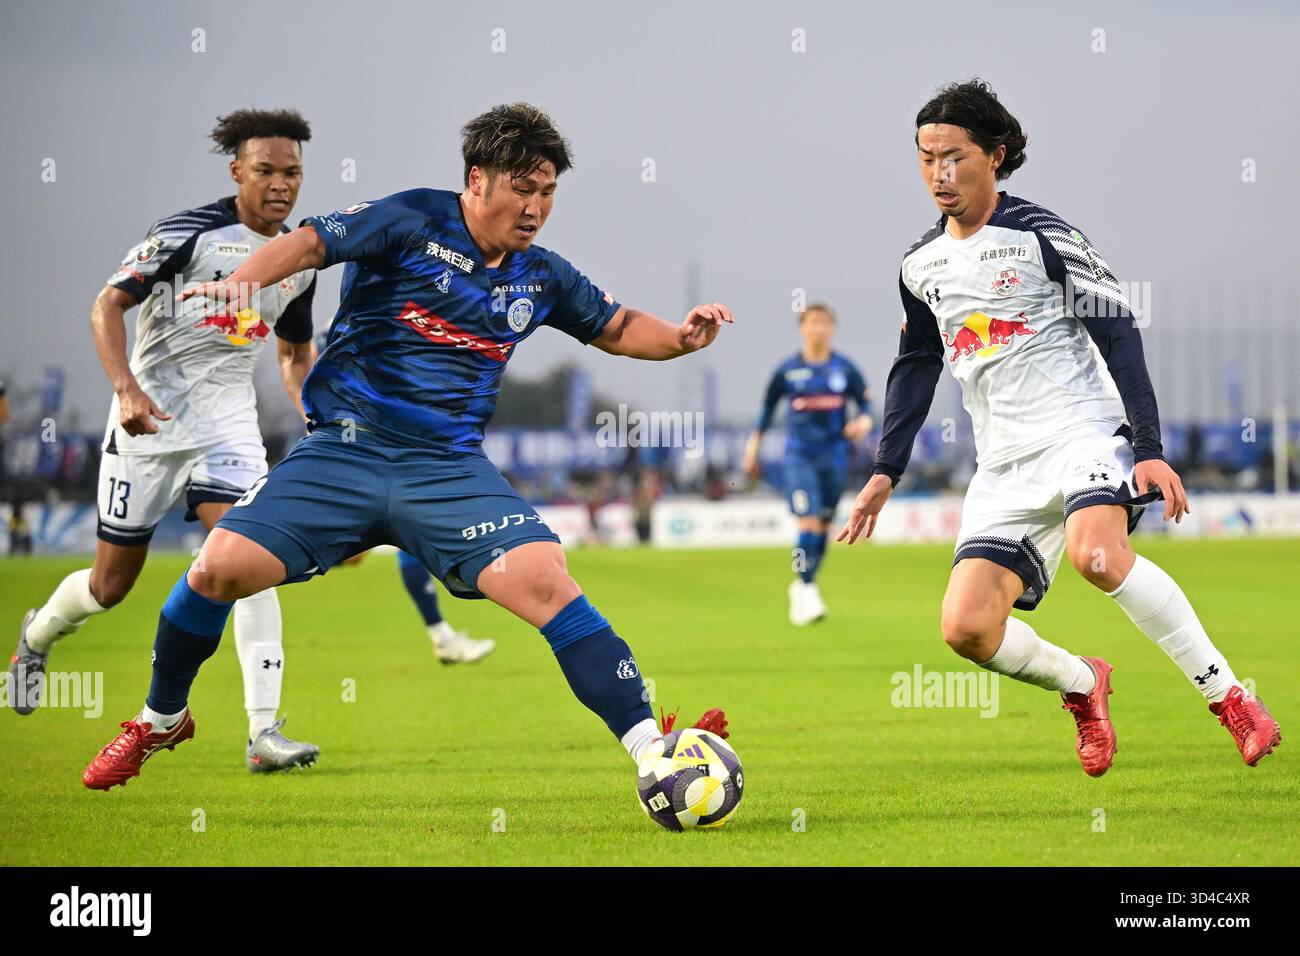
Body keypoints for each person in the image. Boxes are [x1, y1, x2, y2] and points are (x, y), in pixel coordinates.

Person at [81, 102, 729, 792]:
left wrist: (681, 338)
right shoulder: (410, 219)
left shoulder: (540, 276)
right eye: (521, 188)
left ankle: (650, 750)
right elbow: (307, 244)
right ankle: (160, 718)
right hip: (346, 452)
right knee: (216, 570)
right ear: (476, 180)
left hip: (447, 468)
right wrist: (245, 283)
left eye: (547, 193)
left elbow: (619, 325)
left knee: (549, 582)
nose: (536, 207)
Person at [838, 80, 1280, 775]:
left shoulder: (1044, 236)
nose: (938, 174)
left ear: (996, 155)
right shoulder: (919, 265)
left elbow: (1118, 329)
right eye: (926, 159)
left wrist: (1148, 447)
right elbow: (918, 361)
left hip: (1083, 432)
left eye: (954, 157)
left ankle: (1230, 699)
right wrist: (884, 470)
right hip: (1004, 463)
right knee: (967, 629)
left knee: (1096, 556)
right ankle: (1083, 684)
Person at [11, 109, 321, 773]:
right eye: (265, 170)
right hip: (147, 424)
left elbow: (294, 352)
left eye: (291, 172)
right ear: (236, 170)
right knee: (109, 586)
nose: (280, 184)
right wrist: (124, 387)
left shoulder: (299, 259)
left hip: (228, 428)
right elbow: (108, 305)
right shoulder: (188, 235)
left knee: (249, 559)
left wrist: (314, 412)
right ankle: (36, 637)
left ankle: (263, 733)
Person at [744, 304, 872, 625]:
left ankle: (805, 585)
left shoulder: (844, 369)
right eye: (813, 322)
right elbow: (766, 411)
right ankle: (805, 586)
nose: (819, 328)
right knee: (809, 521)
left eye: (825, 323)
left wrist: (864, 423)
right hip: (800, 457)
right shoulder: (788, 370)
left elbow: (867, 405)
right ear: (802, 327)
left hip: (835, 457)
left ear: (832, 328)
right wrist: (752, 449)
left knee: (825, 525)